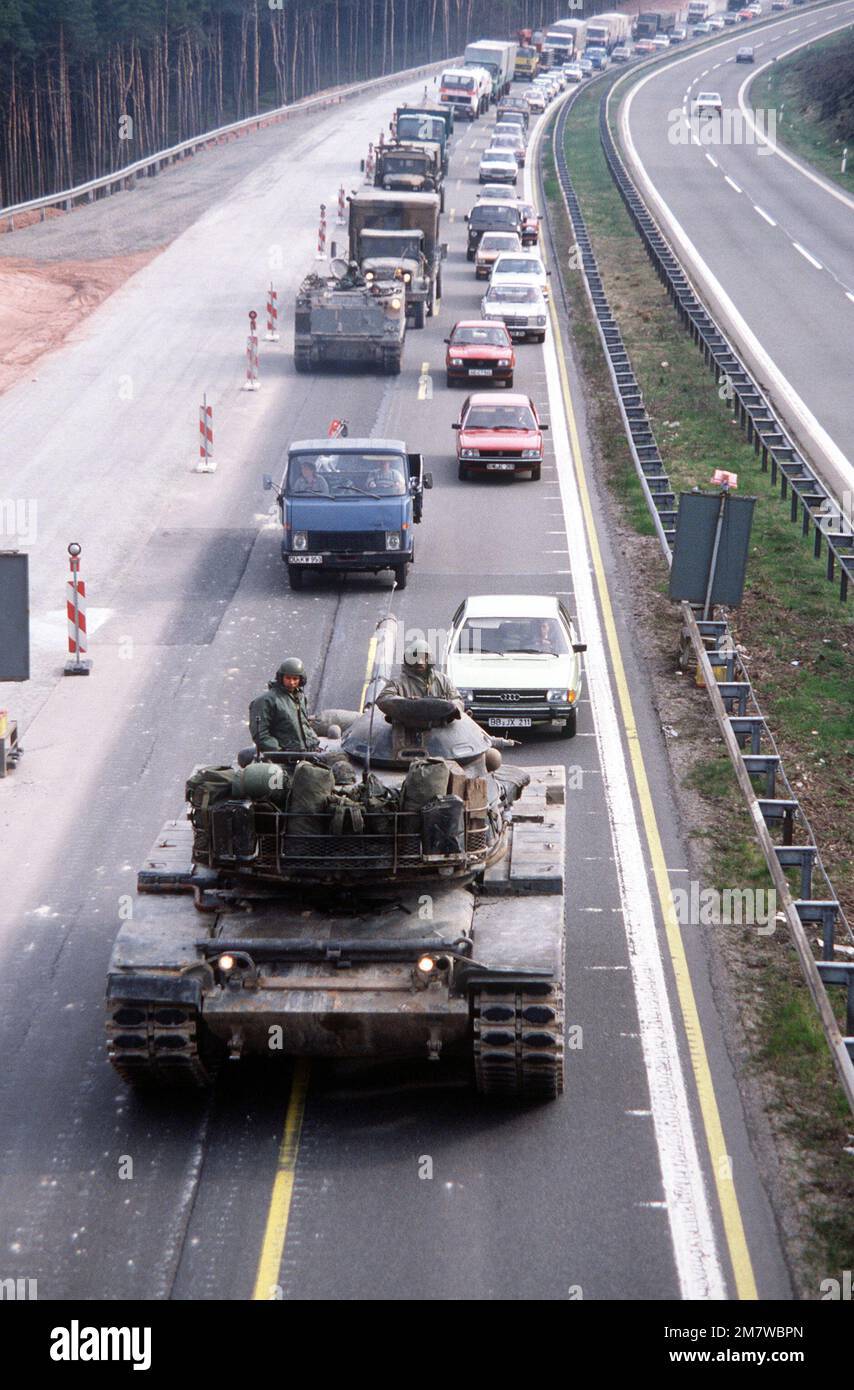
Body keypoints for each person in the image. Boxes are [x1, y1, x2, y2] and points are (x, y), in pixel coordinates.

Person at [249, 659, 321, 753]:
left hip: (307, 752)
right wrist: (279, 750)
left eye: (295, 679)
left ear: (301, 679)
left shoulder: (300, 697)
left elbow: (303, 724)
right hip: (284, 756)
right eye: (288, 678)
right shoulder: (266, 701)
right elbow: (260, 734)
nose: (291, 682)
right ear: (281, 677)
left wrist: (312, 741)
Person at [376, 638, 463, 716]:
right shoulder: (397, 683)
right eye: (415, 657)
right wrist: (406, 702)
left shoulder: (443, 680)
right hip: (407, 725)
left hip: (440, 725)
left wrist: (449, 707)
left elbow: (457, 699)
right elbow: (383, 699)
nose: (419, 662)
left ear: (428, 659)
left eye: (422, 657)